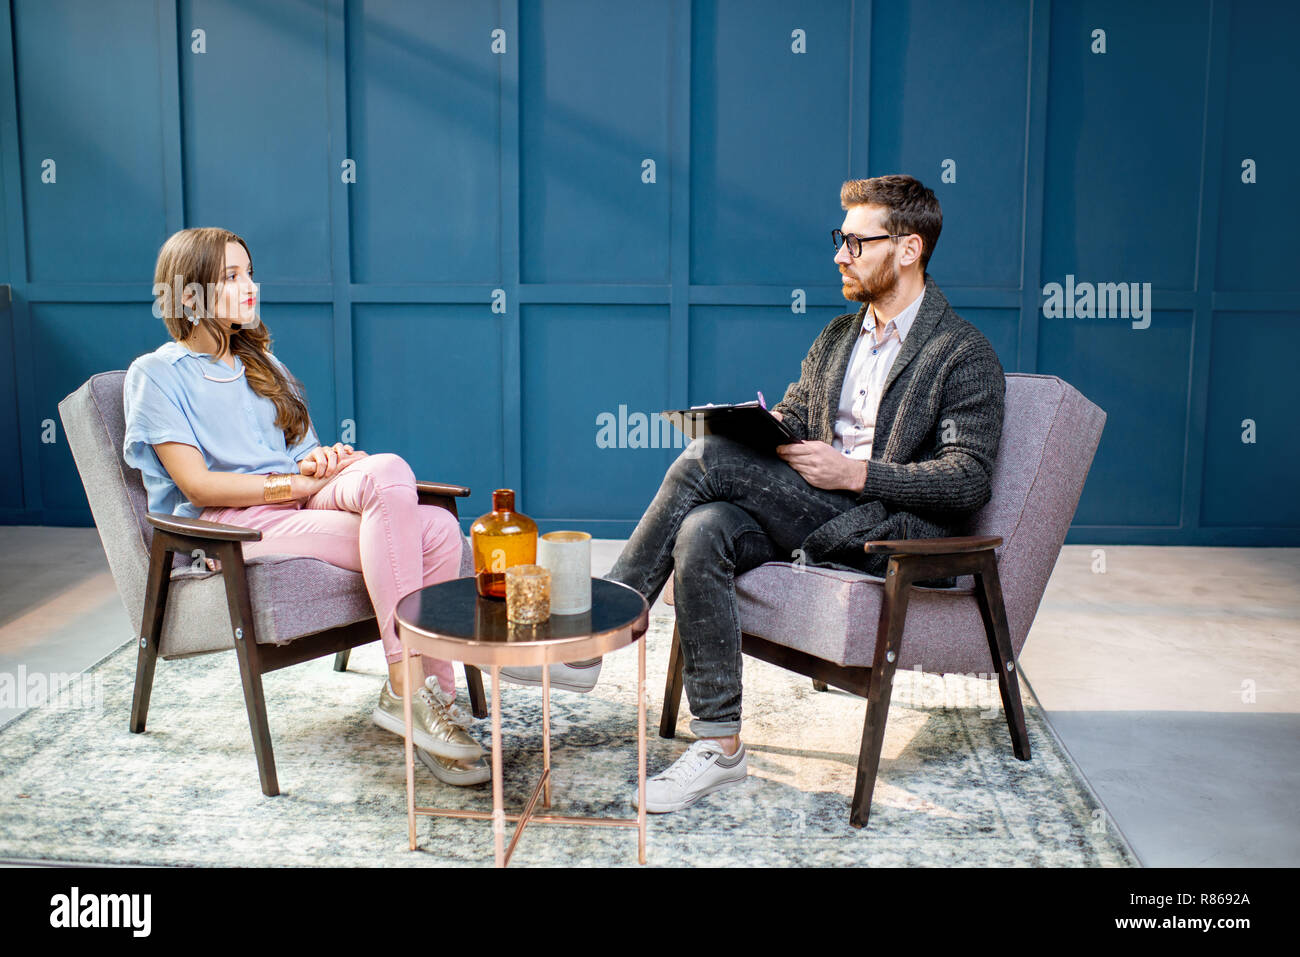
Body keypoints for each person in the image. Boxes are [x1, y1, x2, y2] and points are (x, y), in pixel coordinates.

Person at [502, 174, 1006, 813]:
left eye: (856, 242)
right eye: (839, 239)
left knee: (708, 458)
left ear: (908, 249)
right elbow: (797, 420)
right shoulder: (836, 338)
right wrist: (761, 428)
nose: (839, 255)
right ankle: (721, 746)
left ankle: (594, 641)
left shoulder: (961, 353)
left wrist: (853, 473)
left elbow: (968, 477)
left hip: (882, 530)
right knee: (703, 527)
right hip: (819, 510)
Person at [122, 227, 488, 786]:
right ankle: (412, 691)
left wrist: (324, 462)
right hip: (233, 527)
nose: (250, 286)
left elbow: (303, 454)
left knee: (393, 475)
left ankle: (424, 696)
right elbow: (199, 488)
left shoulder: (264, 362)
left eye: (249, 271)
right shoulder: (156, 374)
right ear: (189, 294)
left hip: (297, 498)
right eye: (231, 276)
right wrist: (289, 485)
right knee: (433, 530)